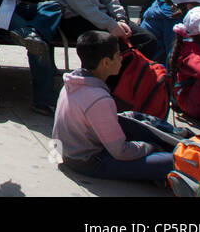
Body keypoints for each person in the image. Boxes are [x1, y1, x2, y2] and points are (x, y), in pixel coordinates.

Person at [52, 30, 175, 183]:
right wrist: (150, 147)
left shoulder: (72, 82)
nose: (121, 59)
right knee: (174, 162)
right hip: (87, 161)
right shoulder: (98, 98)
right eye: (118, 55)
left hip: (67, 151)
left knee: (135, 119)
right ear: (106, 62)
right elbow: (120, 152)